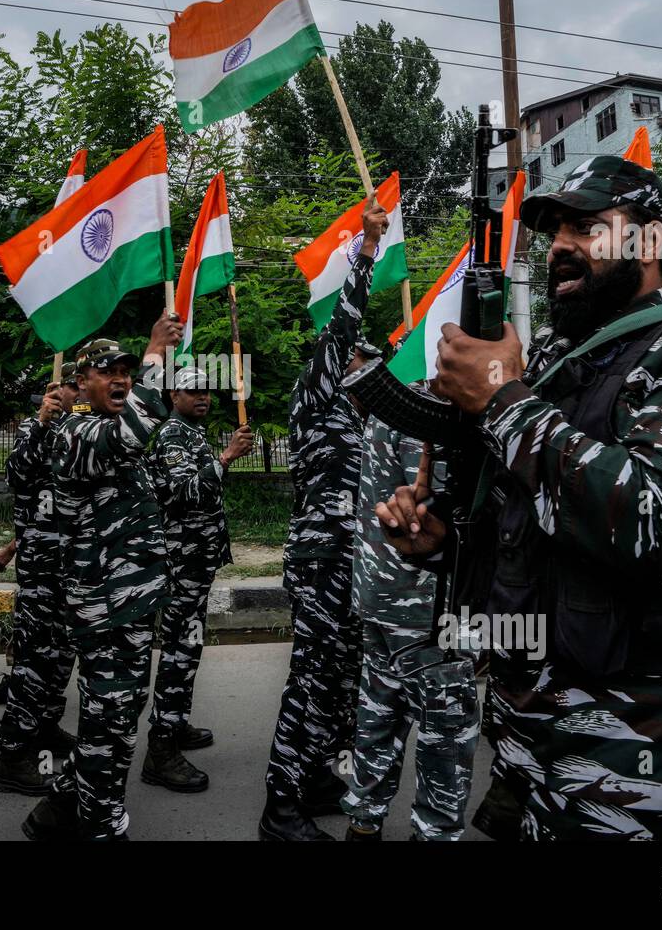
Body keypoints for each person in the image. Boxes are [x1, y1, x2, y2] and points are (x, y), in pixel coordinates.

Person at [369, 156, 662, 840]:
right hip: (532, 730)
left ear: (651, 243)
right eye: (553, 231)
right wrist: (442, 540)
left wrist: (504, 402)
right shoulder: (558, 364)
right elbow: (533, 528)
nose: (560, 245)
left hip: (646, 741)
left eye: (587, 227)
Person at [23, 317, 181, 841]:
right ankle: (101, 825)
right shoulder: (75, 433)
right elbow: (137, 428)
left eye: (127, 370)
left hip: (131, 601)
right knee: (111, 721)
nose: (120, 378)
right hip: (104, 606)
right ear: (80, 382)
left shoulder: (104, 429)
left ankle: (61, 804)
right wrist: (156, 351)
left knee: (120, 708)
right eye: (106, 370)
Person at [260, 199, 388, 841]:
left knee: (341, 679)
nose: (367, 371)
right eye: (359, 363)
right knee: (313, 681)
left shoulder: (366, 424)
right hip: (319, 562)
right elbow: (341, 330)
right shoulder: (317, 402)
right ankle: (280, 808)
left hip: (352, 565)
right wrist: (365, 253)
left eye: (371, 363)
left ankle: (314, 779)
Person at [342, 414, 479, 841]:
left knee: (379, 717)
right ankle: (434, 832)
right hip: (426, 601)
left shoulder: (396, 403)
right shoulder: (436, 412)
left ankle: (364, 821)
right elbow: (436, 506)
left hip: (379, 590)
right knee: (446, 734)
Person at [142, 366, 254, 792]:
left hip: (198, 561)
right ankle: (162, 747)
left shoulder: (191, 434)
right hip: (181, 563)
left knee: (189, 645)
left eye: (207, 391)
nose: (203, 398)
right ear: (174, 395)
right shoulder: (173, 436)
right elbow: (180, 494)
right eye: (193, 392)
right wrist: (225, 459)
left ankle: (177, 722)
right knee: (178, 650)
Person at [0, 365, 79, 794]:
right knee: (35, 659)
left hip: (74, 562)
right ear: (55, 387)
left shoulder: (85, 428)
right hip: (42, 564)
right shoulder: (35, 427)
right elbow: (16, 475)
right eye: (69, 383)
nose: (73, 390)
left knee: (62, 653)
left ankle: (47, 727)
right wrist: (42, 426)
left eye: (79, 384)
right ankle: (13, 755)